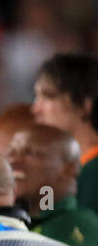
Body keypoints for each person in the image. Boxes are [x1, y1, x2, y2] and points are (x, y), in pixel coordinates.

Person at [32, 54, 98, 216]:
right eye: (36, 97)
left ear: (83, 105)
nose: (36, 109)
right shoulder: (53, 173)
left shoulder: (92, 172)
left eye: (47, 96)